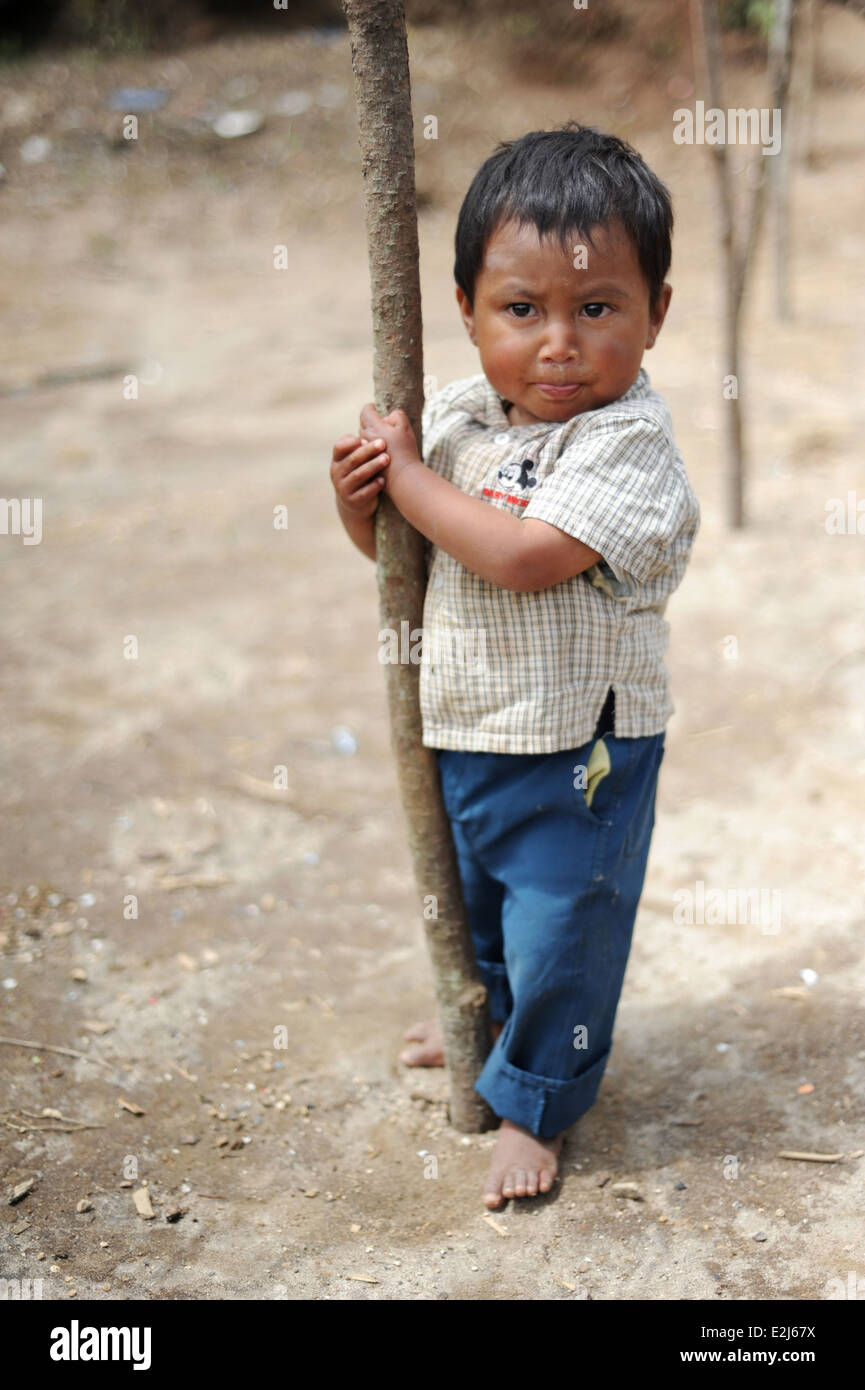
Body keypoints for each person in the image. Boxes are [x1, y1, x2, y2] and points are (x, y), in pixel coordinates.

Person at [330, 122, 700, 1209]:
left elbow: (524, 557)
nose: (558, 344)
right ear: (465, 312)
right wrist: (365, 500)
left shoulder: (630, 441)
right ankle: (482, 1022)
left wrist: (408, 482)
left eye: (597, 309)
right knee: (483, 905)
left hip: (580, 746)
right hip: (470, 724)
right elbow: (417, 562)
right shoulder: (451, 418)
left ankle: (537, 1099)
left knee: (563, 926)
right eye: (521, 310)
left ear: (656, 314)